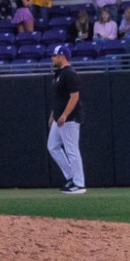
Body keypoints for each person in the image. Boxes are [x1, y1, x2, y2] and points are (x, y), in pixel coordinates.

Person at [46, 44, 85, 194]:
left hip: (69, 118)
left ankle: (79, 183)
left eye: (54, 56)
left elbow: (74, 97)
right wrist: (53, 115)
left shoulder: (70, 74)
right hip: (58, 117)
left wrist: (65, 115)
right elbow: (59, 98)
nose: (52, 58)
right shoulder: (59, 74)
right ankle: (71, 176)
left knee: (72, 149)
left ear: (62, 56)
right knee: (53, 146)